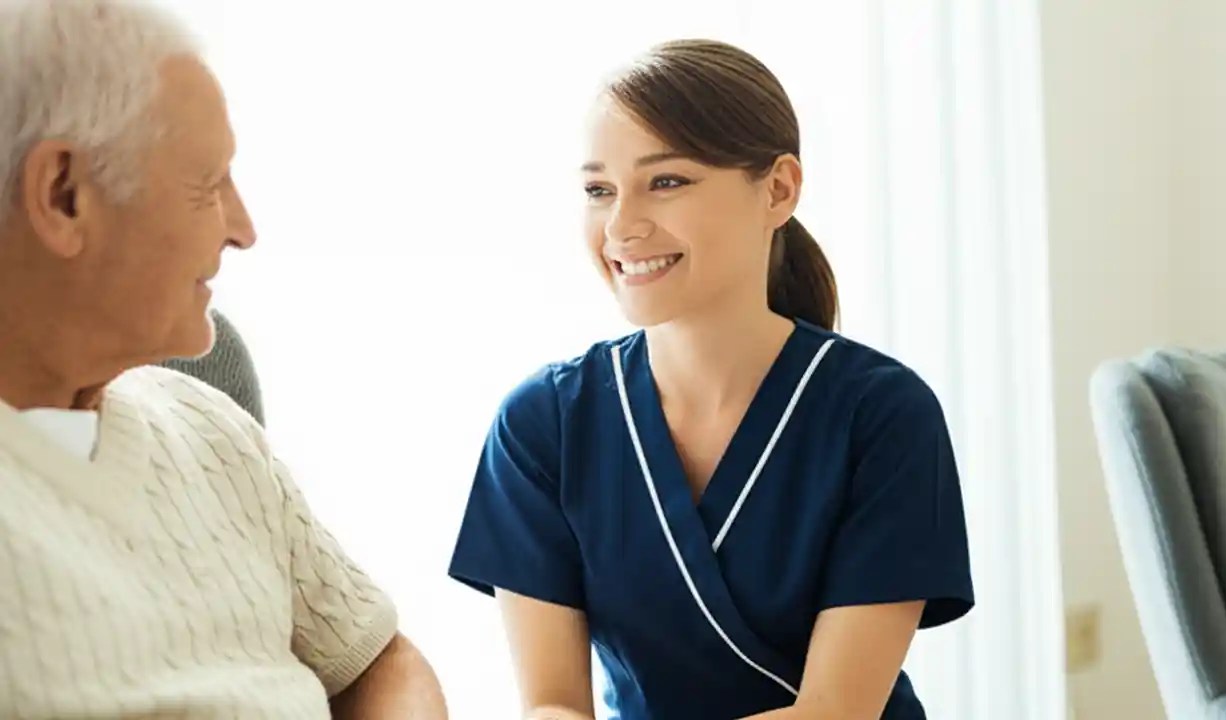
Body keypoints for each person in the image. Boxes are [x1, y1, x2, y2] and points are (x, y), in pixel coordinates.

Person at [449, 39, 974, 720]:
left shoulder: (881, 414)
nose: (621, 225)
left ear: (779, 190)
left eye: (666, 181)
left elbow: (835, 712)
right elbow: (552, 703)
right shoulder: (542, 423)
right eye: (598, 190)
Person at [0, 1, 447, 717]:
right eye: (209, 185)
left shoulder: (208, 423)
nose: (243, 231)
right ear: (64, 195)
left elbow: (380, 660)